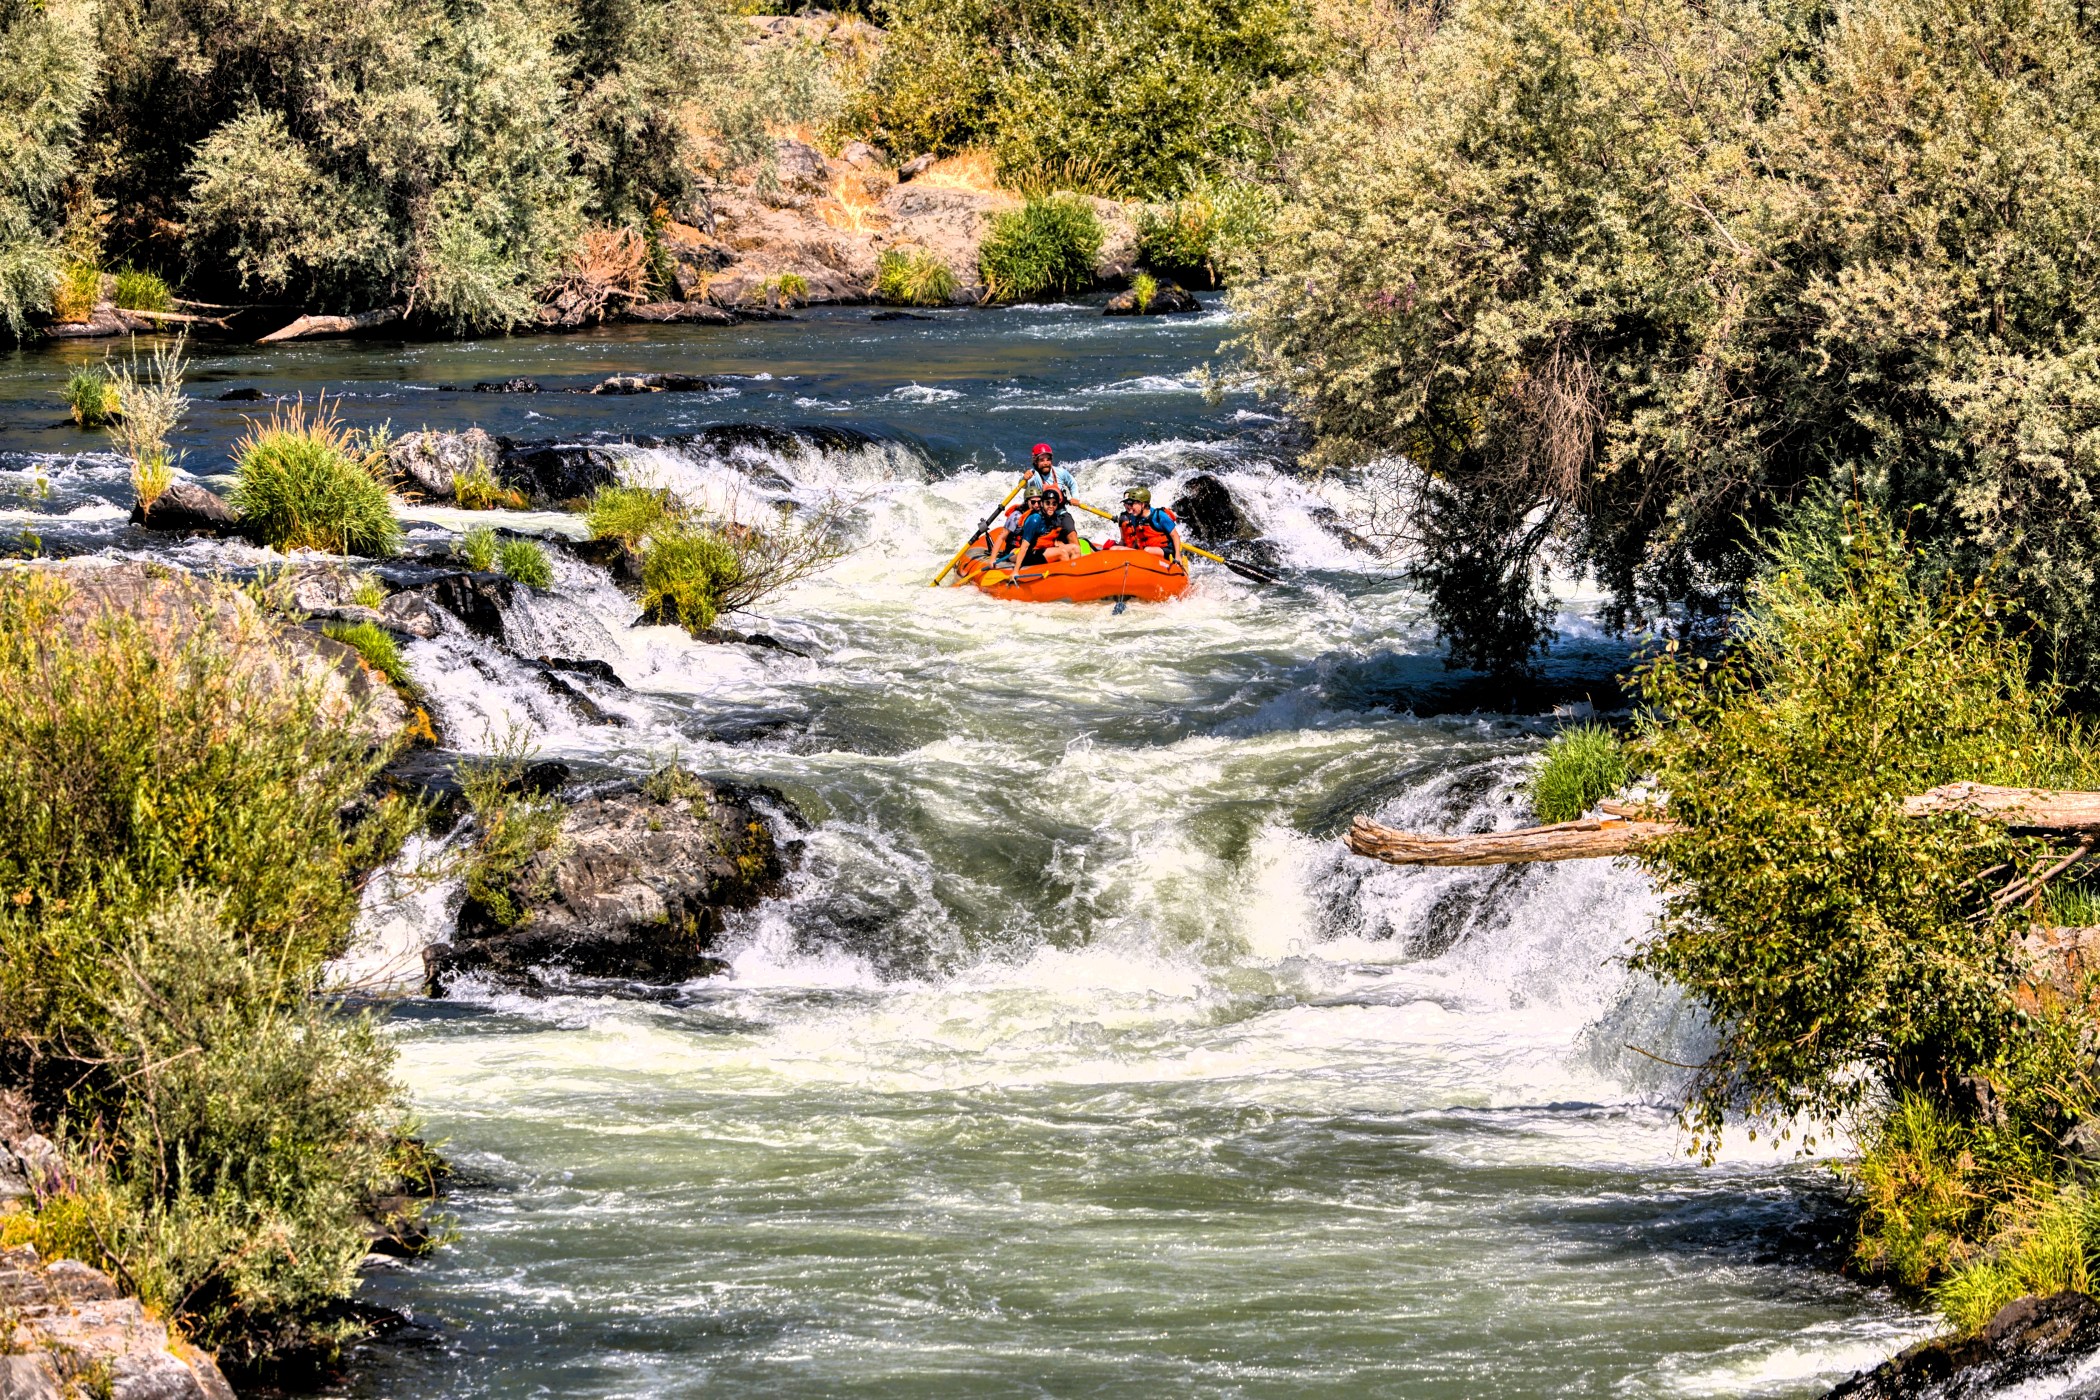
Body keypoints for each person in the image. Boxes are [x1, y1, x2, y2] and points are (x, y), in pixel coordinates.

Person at [1001, 486, 1081, 566]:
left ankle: (1076, 572)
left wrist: (1057, 544)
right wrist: (1016, 571)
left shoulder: (1054, 518)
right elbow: (1024, 546)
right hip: (1025, 551)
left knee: (1075, 548)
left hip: (1040, 549)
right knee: (1062, 553)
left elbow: (1048, 538)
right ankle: (1064, 575)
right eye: (1048, 503)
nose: (1051, 506)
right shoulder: (1035, 519)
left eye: (1054, 504)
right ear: (1042, 504)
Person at [1115, 486, 1184, 564]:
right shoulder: (1134, 517)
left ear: (1142, 504)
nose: (1130, 507)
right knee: (1115, 549)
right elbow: (1137, 539)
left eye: (1133, 504)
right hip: (1145, 551)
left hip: (1166, 551)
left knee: (1147, 550)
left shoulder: (1159, 515)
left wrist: (1178, 556)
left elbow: (1175, 536)